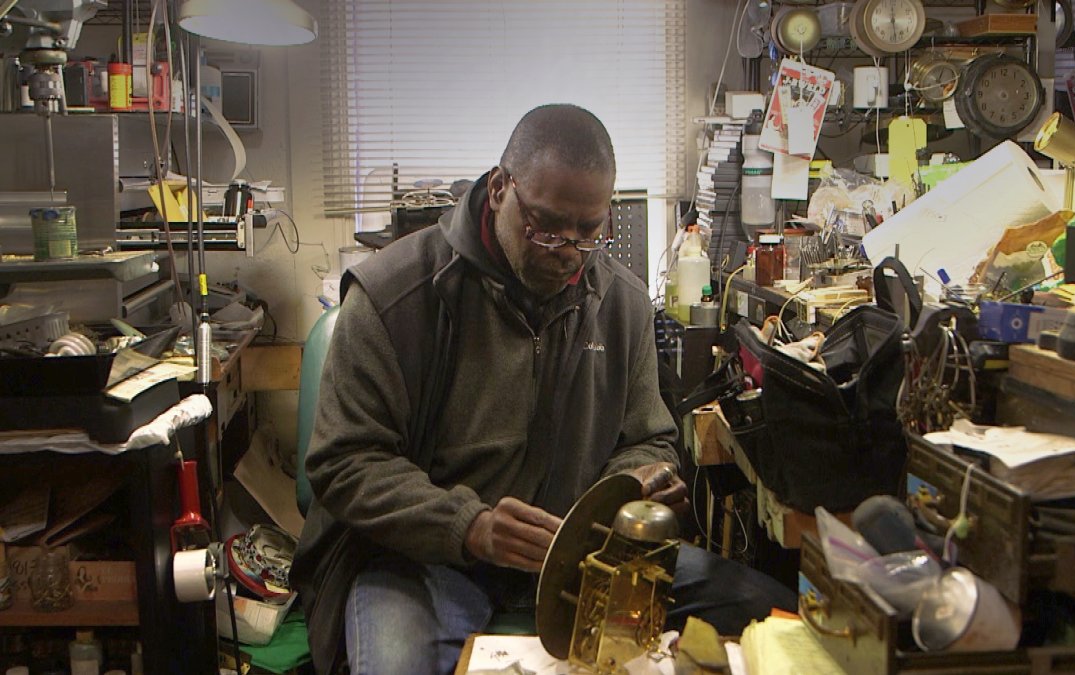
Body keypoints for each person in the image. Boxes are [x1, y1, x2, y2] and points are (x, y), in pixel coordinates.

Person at [292, 104, 796, 675]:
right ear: (501, 187)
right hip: (423, 558)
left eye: (588, 232)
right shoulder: (395, 298)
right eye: (547, 226)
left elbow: (650, 438)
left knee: (772, 617)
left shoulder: (622, 305)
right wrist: (471, 527)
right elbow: (344, 463)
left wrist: (630, 489)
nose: (567, 251)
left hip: (585, 556)